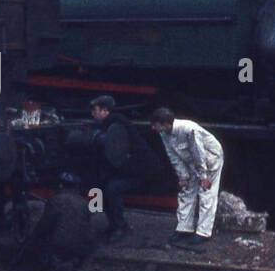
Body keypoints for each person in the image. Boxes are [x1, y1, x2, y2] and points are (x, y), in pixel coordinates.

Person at [150, 107, 224, 248]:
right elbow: (173, 156)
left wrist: (203, 176)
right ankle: (184, 228)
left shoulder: (189, 129)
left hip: (210, 159)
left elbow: (199, 153)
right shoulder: (164, 133)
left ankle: (203, 232)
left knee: (206, 193)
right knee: (186, 191)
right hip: (190, 160)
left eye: (156, 125)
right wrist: (183, 176)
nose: (153, 128)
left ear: (165, 123)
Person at [89, 95, 151, 241]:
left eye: (95, 110)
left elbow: (117, 152)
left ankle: (119, 227)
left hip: (139, 168)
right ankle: (114, 225)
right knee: (104, 186)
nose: (93, 114)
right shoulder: (111, 123)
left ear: (105, 111)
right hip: (128, 167)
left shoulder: (115, 124)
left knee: (113, 188)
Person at [19, 171, 96, 270]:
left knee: (39, 242)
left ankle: (49, 263)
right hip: (79, 247)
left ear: (61, 185)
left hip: (59, 246)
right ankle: (73, 262)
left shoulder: (56, 200)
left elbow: (44, 226)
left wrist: (32, 237)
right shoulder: (83, 203)